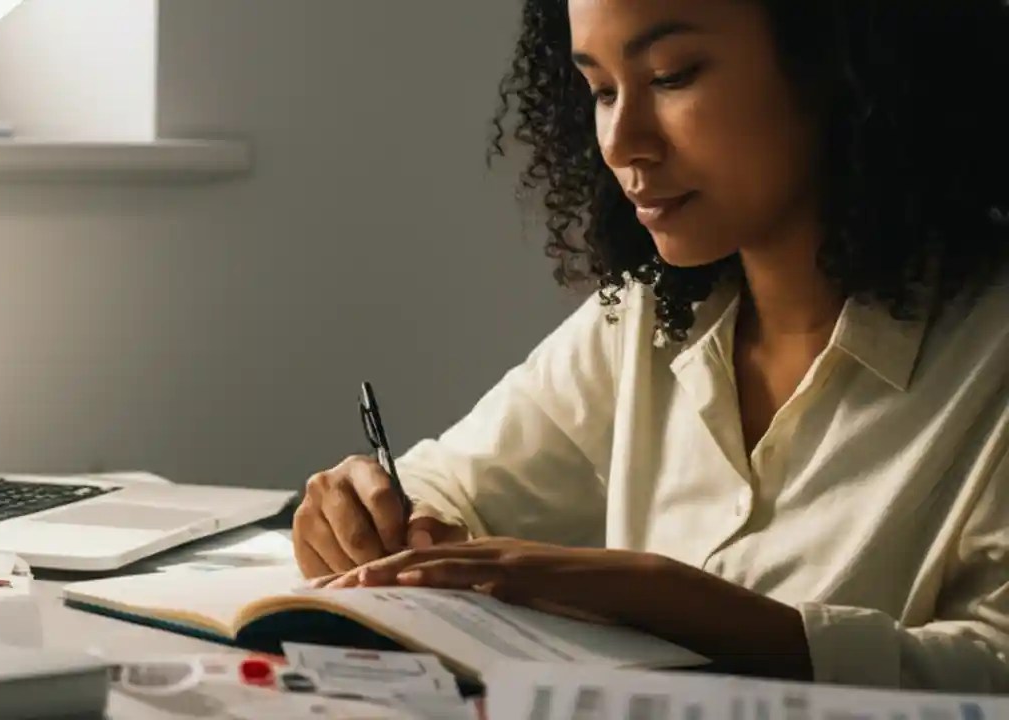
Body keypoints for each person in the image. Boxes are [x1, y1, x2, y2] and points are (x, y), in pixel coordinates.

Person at [291, 0, 1009, 693]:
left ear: (842, 63)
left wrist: (674, 600)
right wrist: (372, 511)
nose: (619, 140)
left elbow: (993, 667)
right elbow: (451, 489)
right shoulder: (647, 321)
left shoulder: (990, 353)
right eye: (601, 90)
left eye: (670, 75)